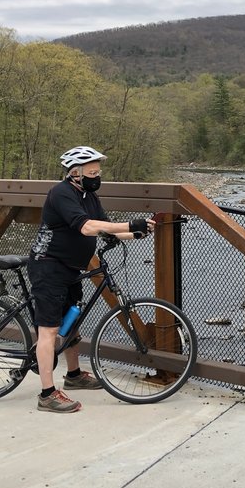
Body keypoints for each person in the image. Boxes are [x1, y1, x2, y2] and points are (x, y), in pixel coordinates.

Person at [28, 146, 156, 413]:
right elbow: (86, 227)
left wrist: (137, 233)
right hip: (48, 266)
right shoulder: (61, 193)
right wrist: (130, 224)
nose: (97, 177)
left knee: (72, 322)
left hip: (70, 268)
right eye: (92, 173)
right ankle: (47, 394)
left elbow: (106, 228)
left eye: (98, 172)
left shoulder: (89, 196)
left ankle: (73, 376)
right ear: (75, 173)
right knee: (49, 330)